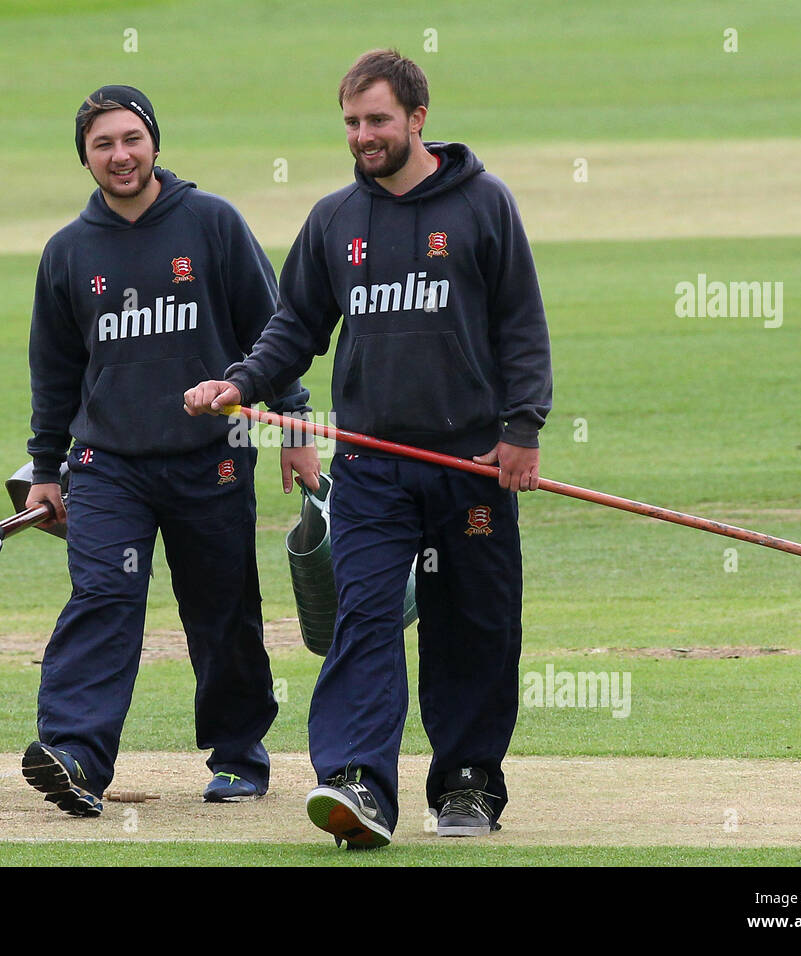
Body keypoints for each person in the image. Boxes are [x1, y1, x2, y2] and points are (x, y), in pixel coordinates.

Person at [184, 50, 552, 848]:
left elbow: (521, 323)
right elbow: (296, 328)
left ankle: (466, 783)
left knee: (472, 623)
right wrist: (240, 383)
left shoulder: (485, 205)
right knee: (366, 615)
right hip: (371, 464)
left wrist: (522, 431)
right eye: (352, 123)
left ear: (418, 118)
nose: (363, 136)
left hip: (469, 465)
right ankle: (357, 781)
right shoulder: (334, 221)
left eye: (377, 120)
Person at [21, 84, 320, 817]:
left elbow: (273, 330)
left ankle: (239, 755)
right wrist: (46, 471)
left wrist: (296, 426)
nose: (120, 155)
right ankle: (77, 756)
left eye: (131, 139)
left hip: (209, 458)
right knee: (103, 597)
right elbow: (55, 373)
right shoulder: (67, 252)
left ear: (154, 140)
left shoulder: (212, 223)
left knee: (221, 610)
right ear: (85, 156)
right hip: (106, 466)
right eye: (103, 144)